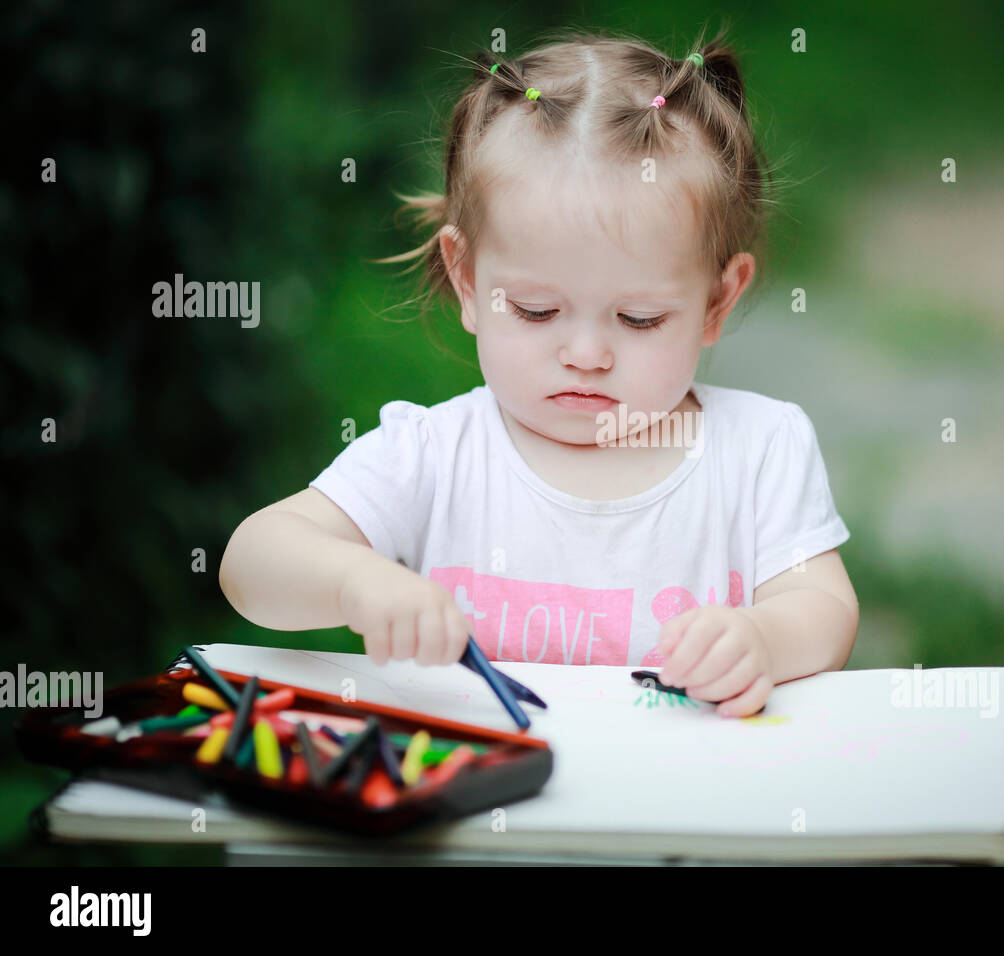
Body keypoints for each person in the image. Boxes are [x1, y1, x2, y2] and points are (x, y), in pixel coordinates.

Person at [219, 28, 857, 717]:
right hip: (484, 809)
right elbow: (252, 561)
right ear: (467, 281)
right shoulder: (434, 455)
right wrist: (354, 582)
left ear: (717, 301)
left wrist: (763, 636)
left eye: (639, 319)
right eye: (536, 309)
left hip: (683, 809)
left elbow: (822, 606)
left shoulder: (759, 448)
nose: (586, 354)